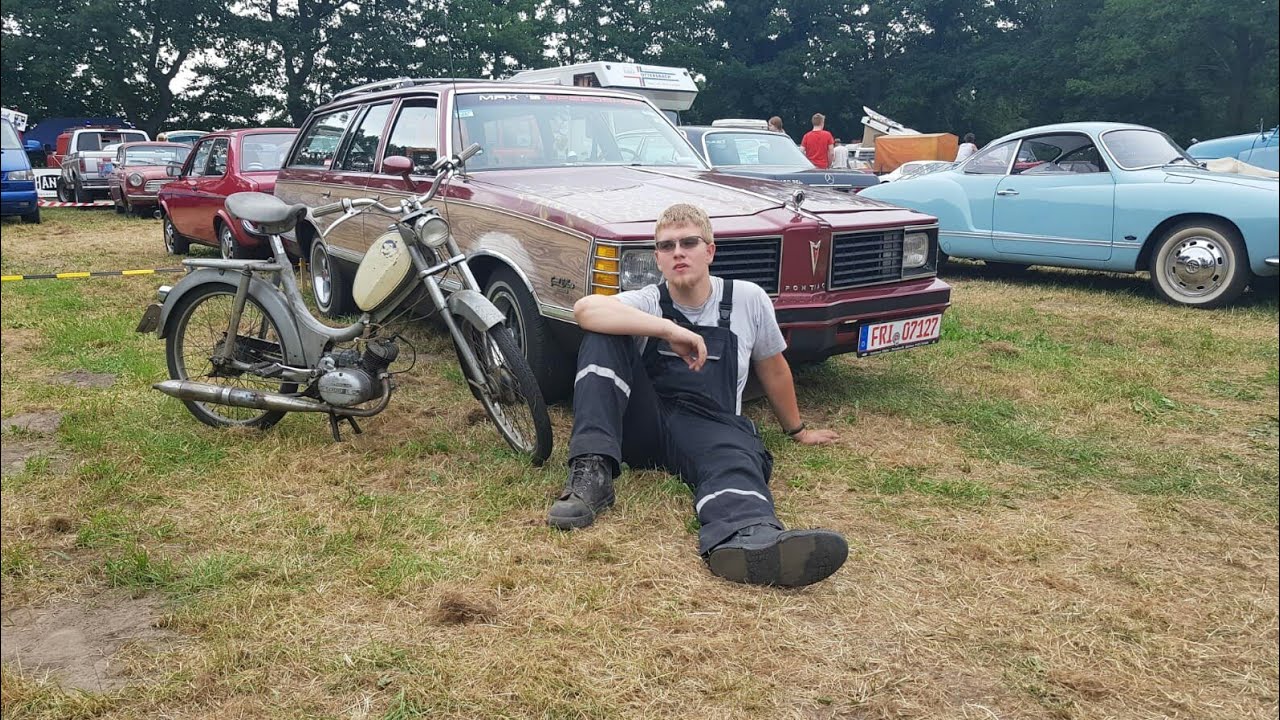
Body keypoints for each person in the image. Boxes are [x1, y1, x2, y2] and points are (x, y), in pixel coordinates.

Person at [547, 203, 849, 588]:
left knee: (734, 456)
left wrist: (798, 430)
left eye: (688, 242)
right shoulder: (649, 301)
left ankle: (746, 539)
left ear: (710, 250)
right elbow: (585, 309)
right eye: (666, 246)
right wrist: (668, 330)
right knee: (602, 334)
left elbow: (773, 368)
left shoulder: (747, 298)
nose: (678, 252)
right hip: (646, 424)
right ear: (657, 258)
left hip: (711, 427)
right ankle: (592, 473)